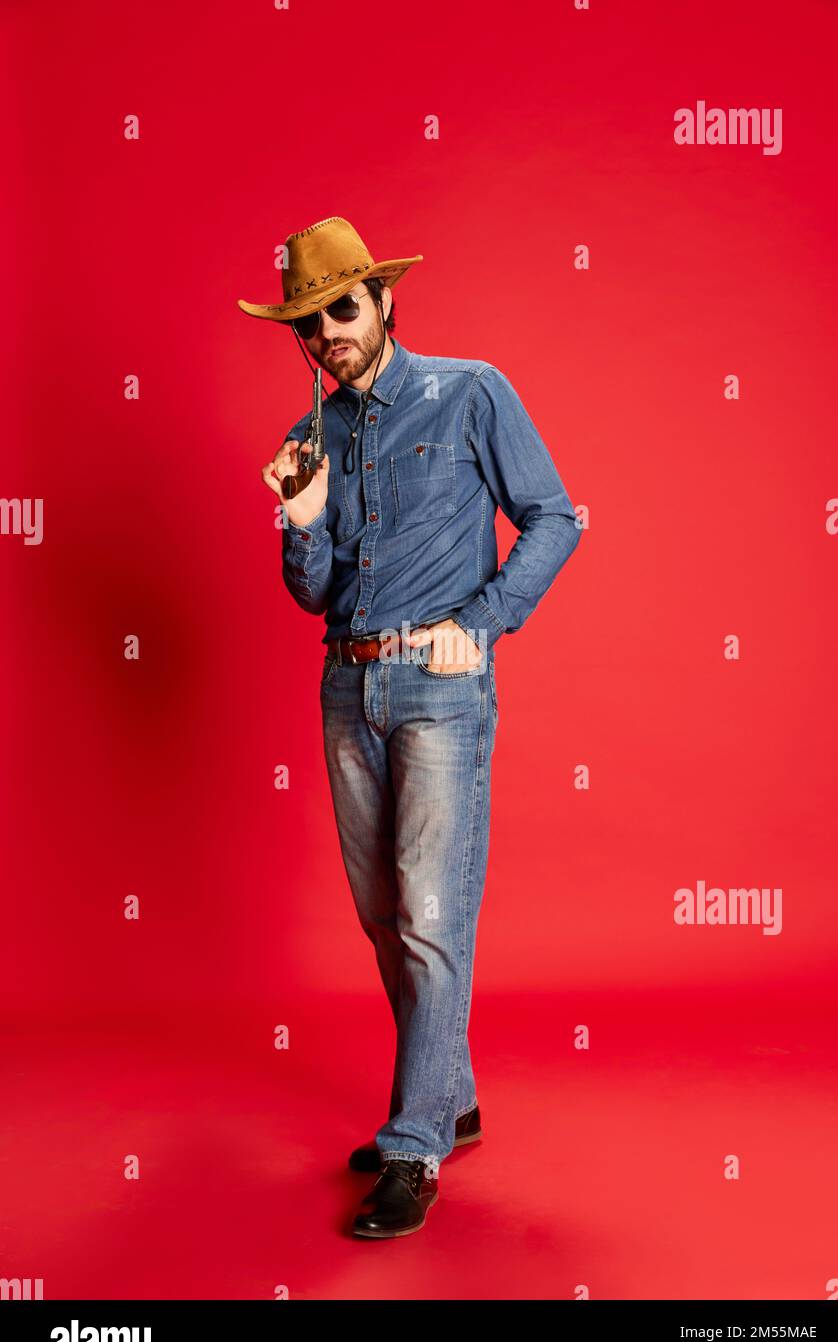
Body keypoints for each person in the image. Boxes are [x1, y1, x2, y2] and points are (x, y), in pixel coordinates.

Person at [239, 216, 582, 1238]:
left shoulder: (471, 390)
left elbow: (557, 515)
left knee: (433, 917)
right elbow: (319, 594)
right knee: (385, 916)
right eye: (308, 322)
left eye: (342, 308)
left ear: (384, 301)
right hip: (348, 691)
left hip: (439, 695)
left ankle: (414, 1144)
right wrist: (300, 523)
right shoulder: (323, 434)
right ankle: (451, 1096)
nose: (327, 333)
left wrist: (477, 627)